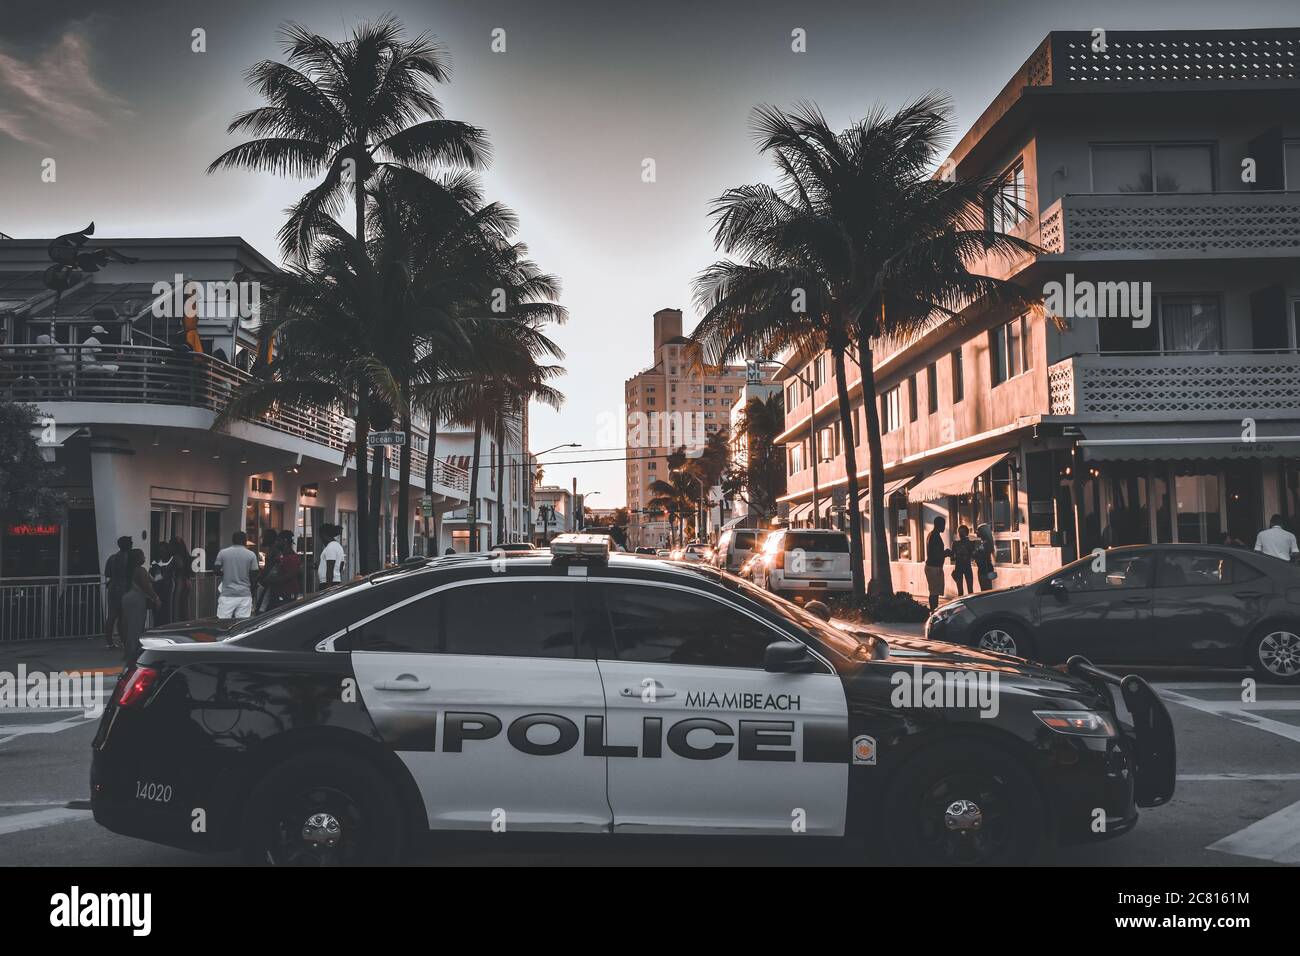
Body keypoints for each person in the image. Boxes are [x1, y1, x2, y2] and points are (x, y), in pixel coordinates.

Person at [120, 549, 160, 662]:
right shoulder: (140, 570)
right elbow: (146, 586)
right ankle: (133, 654)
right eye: (142, 555)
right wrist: (156, 598)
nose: (144, 557)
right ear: (138, 558)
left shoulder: (131, 570)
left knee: (129, 627)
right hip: (137, 599)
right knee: (136, 628)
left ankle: (128, 652)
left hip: (128, 597)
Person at [214, 531, 260, 619]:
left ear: (233, 540)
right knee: (242, 624)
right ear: (245, 541)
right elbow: (254, 576)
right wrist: (252, 593)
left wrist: (226, 573)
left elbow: (216, 570)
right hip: (245, 595)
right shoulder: (251, 555)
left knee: (223, 623)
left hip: (227, 594)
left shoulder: (223, 553)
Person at [102, 535, 134, 648]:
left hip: (113, 588)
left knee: (112, 615)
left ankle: (109, 642)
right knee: (123, 616)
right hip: (125, 588)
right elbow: (132, 574)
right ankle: (124, 640)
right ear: (127, 545)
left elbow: (107, 574)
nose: (132, 544)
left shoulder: (112, 558)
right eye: (131, 543)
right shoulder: (130, 558)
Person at [923, 516, 949, 611]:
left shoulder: (932, 535)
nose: (944, 527)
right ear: (939, 525)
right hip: (934, 568)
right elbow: (935, 554)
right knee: (934, 592)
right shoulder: (934, 536)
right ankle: (933, 611)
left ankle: (933, 610)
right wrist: (946, 553)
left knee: (934, 592)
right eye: (943, 525)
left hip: (933, 567)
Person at [149, 542, 175, 628]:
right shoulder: (155, 562)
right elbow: (156, 577)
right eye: (160, 551)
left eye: (163, 550)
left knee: (167, 609)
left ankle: (166, 627)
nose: (161, 552)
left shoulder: (172, 560)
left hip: (167, 587)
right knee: (157, 609)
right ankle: (158, 627)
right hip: (158, 587)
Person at [169, 535, 194, 623]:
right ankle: (185, 623)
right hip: (187, 581)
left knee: (177, 605)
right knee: (185, 605)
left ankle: (177, 623)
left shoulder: (176, 556)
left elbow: (180, 567)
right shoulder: (185, 555)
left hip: (179, 581)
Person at [950, 524, 976, 597]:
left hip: (966, 567)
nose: (961, 534)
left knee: (970, 590)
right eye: (960, 532)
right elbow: (952, 558)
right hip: (959, 567)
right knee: (960, 591)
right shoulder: (955, 544)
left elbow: (973, 555)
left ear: (966, 533)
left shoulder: (970, 543)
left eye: (962, 532)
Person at [317, 524, 345, 589]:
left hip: (327, 583)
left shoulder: (330, 547)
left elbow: (330, 567)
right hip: (335, 581)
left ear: (324, 535)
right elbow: (341, 564)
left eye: (321, 536)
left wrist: (328, 587)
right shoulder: (338, 546)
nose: (321, 539)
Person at [975, 522, 997, 591]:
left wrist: (975, 554)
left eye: (978, 531)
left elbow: (982, 555)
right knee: (986, 589)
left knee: (985, 590)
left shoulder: (985, 543)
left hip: (984, 569)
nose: (976, 533)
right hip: (985, 568)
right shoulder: (986, 542)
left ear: (983, 532)